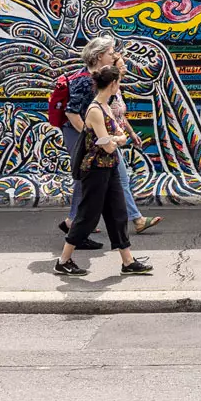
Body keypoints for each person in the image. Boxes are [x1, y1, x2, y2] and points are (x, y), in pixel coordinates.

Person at [57, 37, 160, 247]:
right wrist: (92, 137)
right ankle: (130, 224)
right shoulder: (85, 80)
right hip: (81, 134)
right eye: (110, 52)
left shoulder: (99, 78)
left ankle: (73, 223)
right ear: (98, 56)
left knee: (90, 180)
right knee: (104, 178)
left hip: (97, 136)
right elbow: (72, 113)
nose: (114, 55)